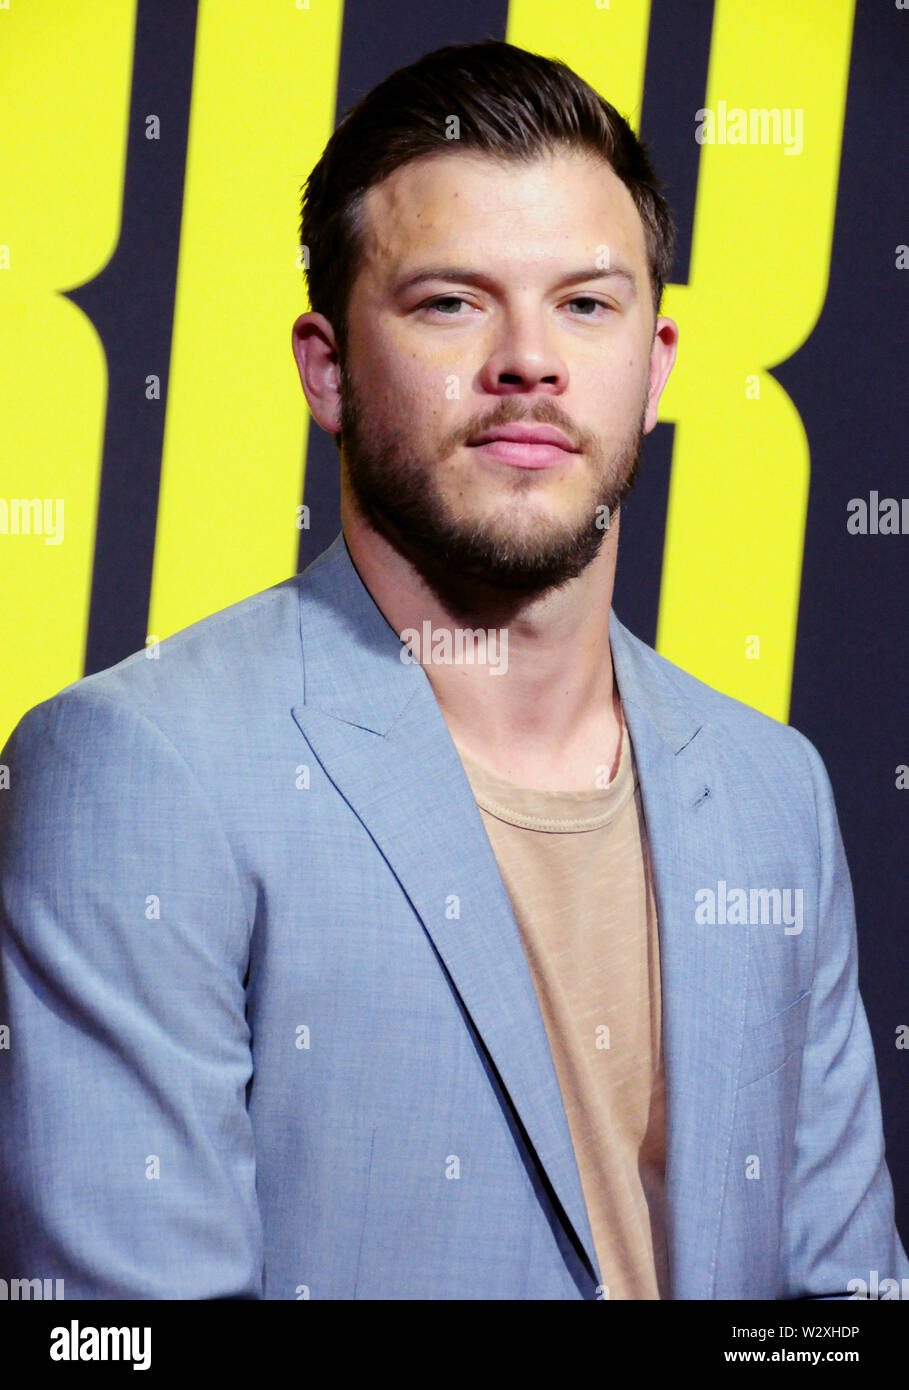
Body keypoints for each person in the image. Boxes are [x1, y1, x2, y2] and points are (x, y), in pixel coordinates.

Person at [0, 39, 905, 1301]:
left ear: (656, 367)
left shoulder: (772, 790)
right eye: (450, 302)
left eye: (586, 304)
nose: (528, 359)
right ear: (326, 369)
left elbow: (839, 1305)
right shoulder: (145, 766)